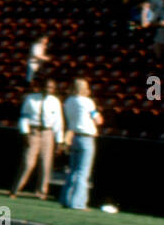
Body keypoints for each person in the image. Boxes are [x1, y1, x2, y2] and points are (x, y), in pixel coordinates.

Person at [9, 77, 64, 200]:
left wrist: (59, 141)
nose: (48, 89)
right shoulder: (31, 99)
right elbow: (24, 117)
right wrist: (25, 133)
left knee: (45, 164)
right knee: (28, 162)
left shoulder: (55, 101)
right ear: (41, 86)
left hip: (47, 133)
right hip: (34, 132)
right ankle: (15, 189)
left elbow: (59, 122)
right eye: (46, 86)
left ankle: (41, 192)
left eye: (51, 87)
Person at [60, 79, 102, 210]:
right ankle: (77, 203)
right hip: (86, 137)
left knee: (73, 170)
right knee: (83, 172)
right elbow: (98, 120)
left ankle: (66, 199)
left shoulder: (68, 101)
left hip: (74, 136)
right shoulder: (88, 102)